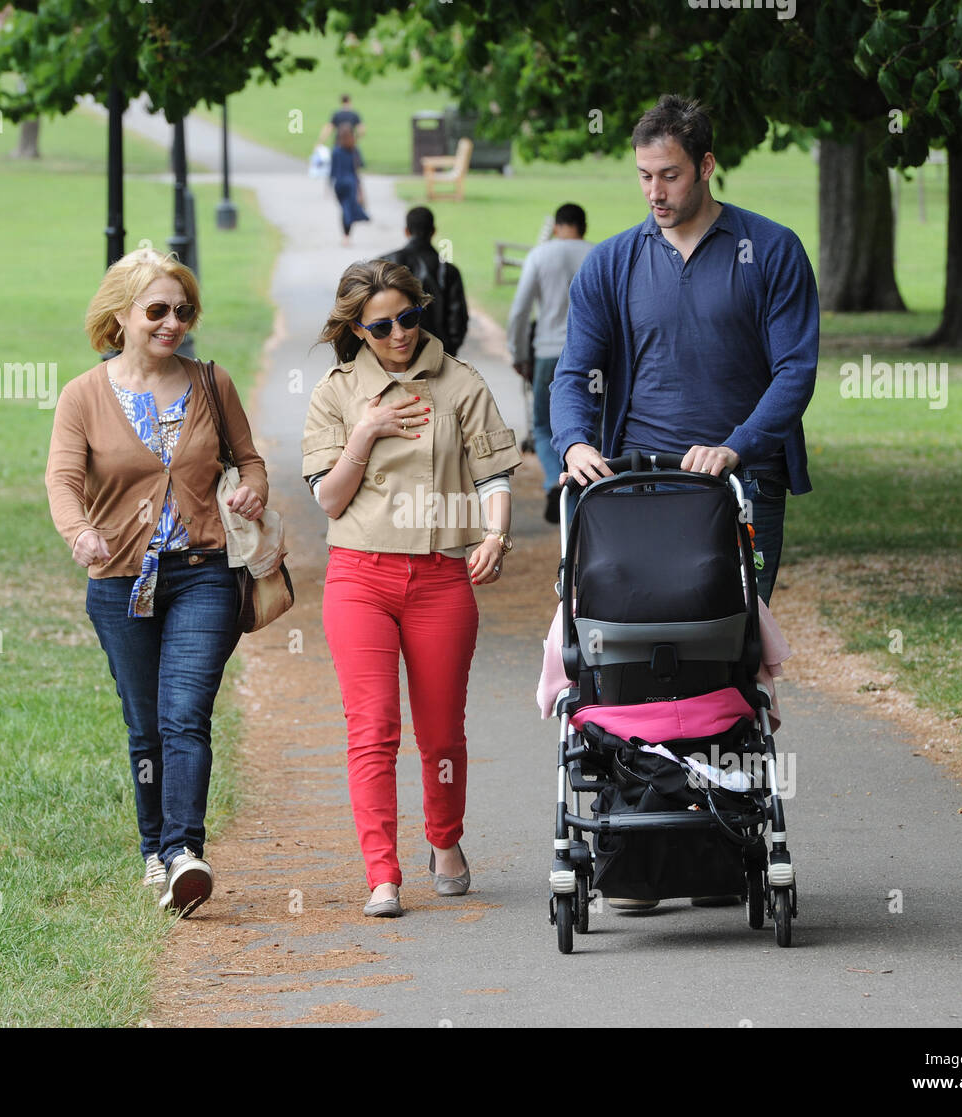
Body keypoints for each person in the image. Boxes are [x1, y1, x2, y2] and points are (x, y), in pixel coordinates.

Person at [45, 248, 270, 917]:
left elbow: (249, 459)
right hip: (119, 583)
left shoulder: (210, 382)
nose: (173, 322)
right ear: (121, 314)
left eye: (183, 310)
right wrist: (79, 532)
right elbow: (62, 480)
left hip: (202, 574)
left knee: (184, 716)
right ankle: (154, 847)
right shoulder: (84, 395)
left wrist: (253, 489)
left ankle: (183, 853)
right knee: (145, 726)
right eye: (158, 310)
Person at [301, 260, 522, 918]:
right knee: (372, 728)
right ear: (357, 330)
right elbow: (330, 500)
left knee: (442, 732)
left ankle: (445, 841)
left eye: (409, 317)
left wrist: (494, 535)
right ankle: (383, 872)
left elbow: (494, 477)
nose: (399, 333)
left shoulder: (460, 383)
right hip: (359, 576)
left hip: (439, 575)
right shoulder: (337, 392)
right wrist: (364, 434)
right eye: (382, 325)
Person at [550, 94, 818, 605]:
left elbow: (796, 372)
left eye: (670, 175)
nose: (656, 192)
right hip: (635, 481)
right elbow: (574, 373)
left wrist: (734, 447)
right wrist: (574, 442)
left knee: (738, 645)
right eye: (645, 176)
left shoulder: (772, 250)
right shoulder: (610, 263)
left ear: (706, 165)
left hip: (744, 480)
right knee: (634, 640)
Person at [506, 202, 593, 523]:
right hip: (591, 357)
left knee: (543, 426)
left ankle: (554, 482)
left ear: (557, 227)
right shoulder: (598, 253)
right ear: (583, 227)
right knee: (590, 429)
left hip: (547, 353)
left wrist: (518, 354)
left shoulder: (541, 255)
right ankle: (585, 489)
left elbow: (519, 311)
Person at [380, 206, 469, 356]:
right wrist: (448, 351)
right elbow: (458, 319)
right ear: (433, 231)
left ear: (406, 231)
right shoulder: (448, 271)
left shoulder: (385, 264)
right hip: (438, 352)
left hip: (393, 353)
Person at [329, 123, 370, 246]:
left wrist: (329, 187)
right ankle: (347, 235)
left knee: (344, 208)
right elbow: (359, 166)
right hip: (351, 183)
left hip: (339, 184)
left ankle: (345, 236)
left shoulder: (335, 151)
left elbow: (332, 171)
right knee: (348, 208)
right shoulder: (354, 150)